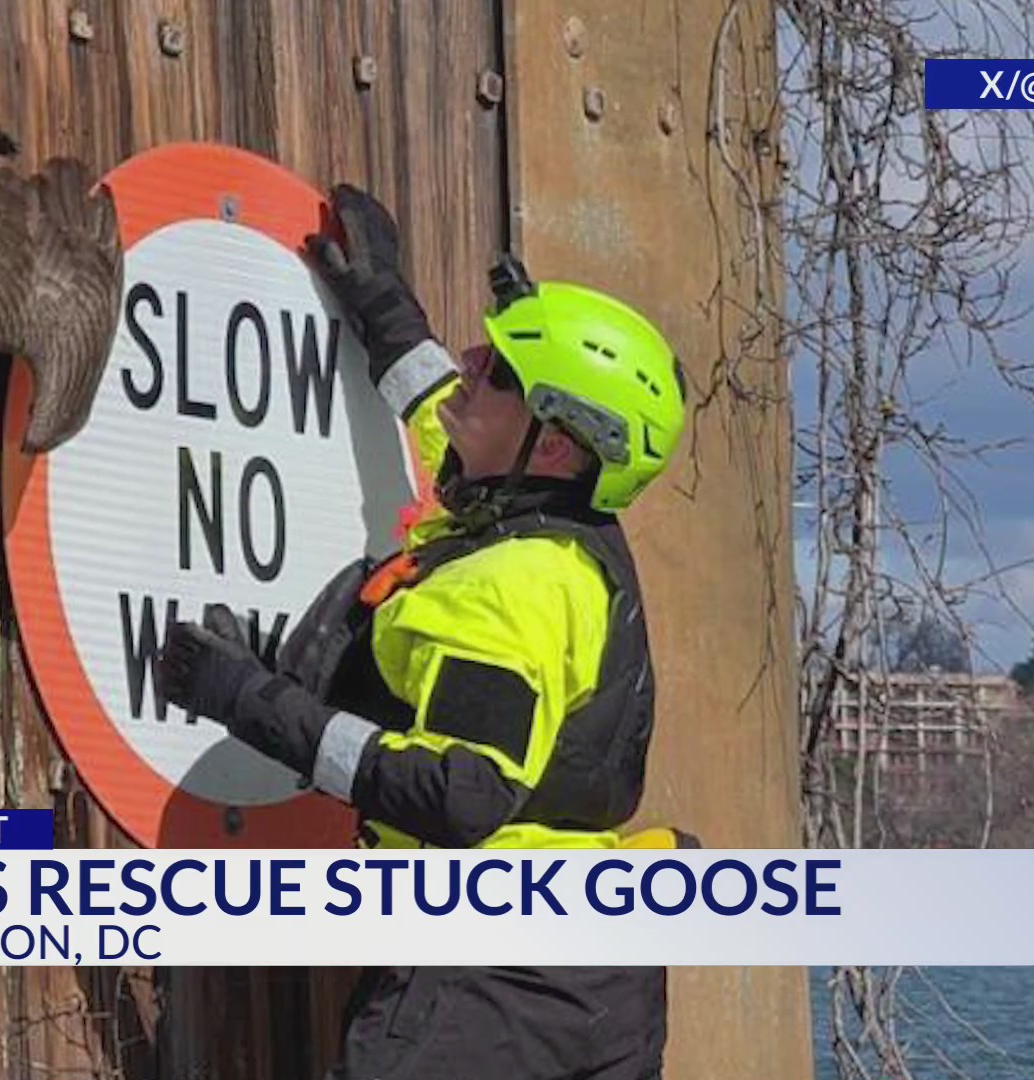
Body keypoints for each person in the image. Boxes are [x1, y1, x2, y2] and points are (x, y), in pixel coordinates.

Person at [156, 184, 690, 1080]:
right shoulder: (542, 518)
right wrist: (384, 305)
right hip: (588, 973)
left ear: (557, 444)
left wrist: (248, 699)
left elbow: (460, 794)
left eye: (500, 370)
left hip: (495, 983)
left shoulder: (509, 585)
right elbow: (444, 415)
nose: (472, 362)